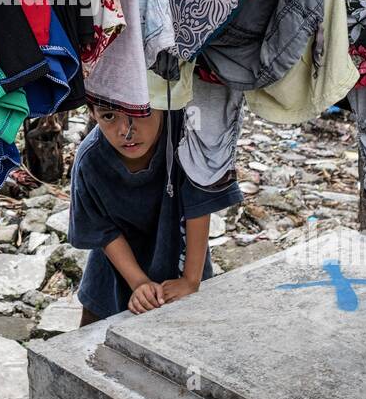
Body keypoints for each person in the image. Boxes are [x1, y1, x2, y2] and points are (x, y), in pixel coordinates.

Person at [68, 104, 242, 325]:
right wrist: (139, 283)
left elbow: (199, 204)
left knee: (186, 340)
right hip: (114, 278)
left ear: (163, 104)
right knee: (97, 346)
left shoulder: (187, 135)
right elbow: (103, 231)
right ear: (93, 114)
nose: (127, 130)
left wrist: (190, 280)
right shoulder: (90, 161)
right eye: (109, 116)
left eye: (140, 112)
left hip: (183, 261)